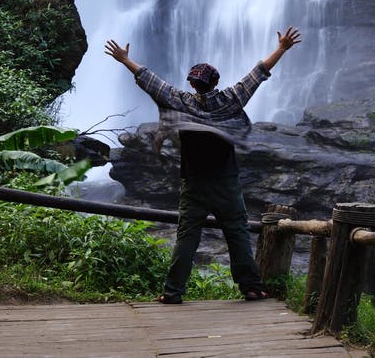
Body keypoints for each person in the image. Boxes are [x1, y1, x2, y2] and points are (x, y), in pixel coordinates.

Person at [104, 26, 302, 304]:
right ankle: (251, 287)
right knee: (237, 233)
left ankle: (173, 291)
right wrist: (281, 48)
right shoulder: (230, 100)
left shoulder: (180, 102)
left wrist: (125, 60)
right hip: (226, 181)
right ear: (216, 82)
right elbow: (257, 74)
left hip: (193, 182)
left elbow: (150, 81)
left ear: (192, 85)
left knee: (187, 237)